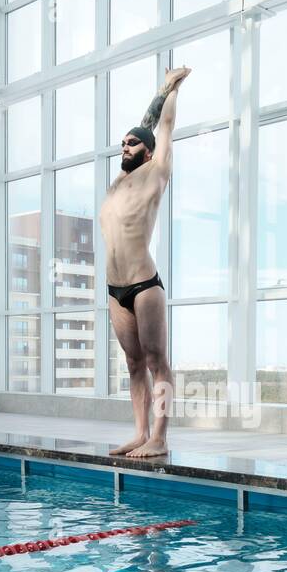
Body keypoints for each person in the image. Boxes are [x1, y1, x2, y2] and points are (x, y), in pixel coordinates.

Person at [99, 65, 191, 457]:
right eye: (122, 143)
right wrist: (157, 89)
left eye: (132, 144)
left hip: (143, 285)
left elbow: (162, 124)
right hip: (114, 288)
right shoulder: (119, 182)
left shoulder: (157, 172)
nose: (125, 147)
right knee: (133, 362)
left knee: (157, 360)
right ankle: (139, 433)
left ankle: (160, 437)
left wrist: (172, 88)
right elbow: (145, 124)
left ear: (148, 152)